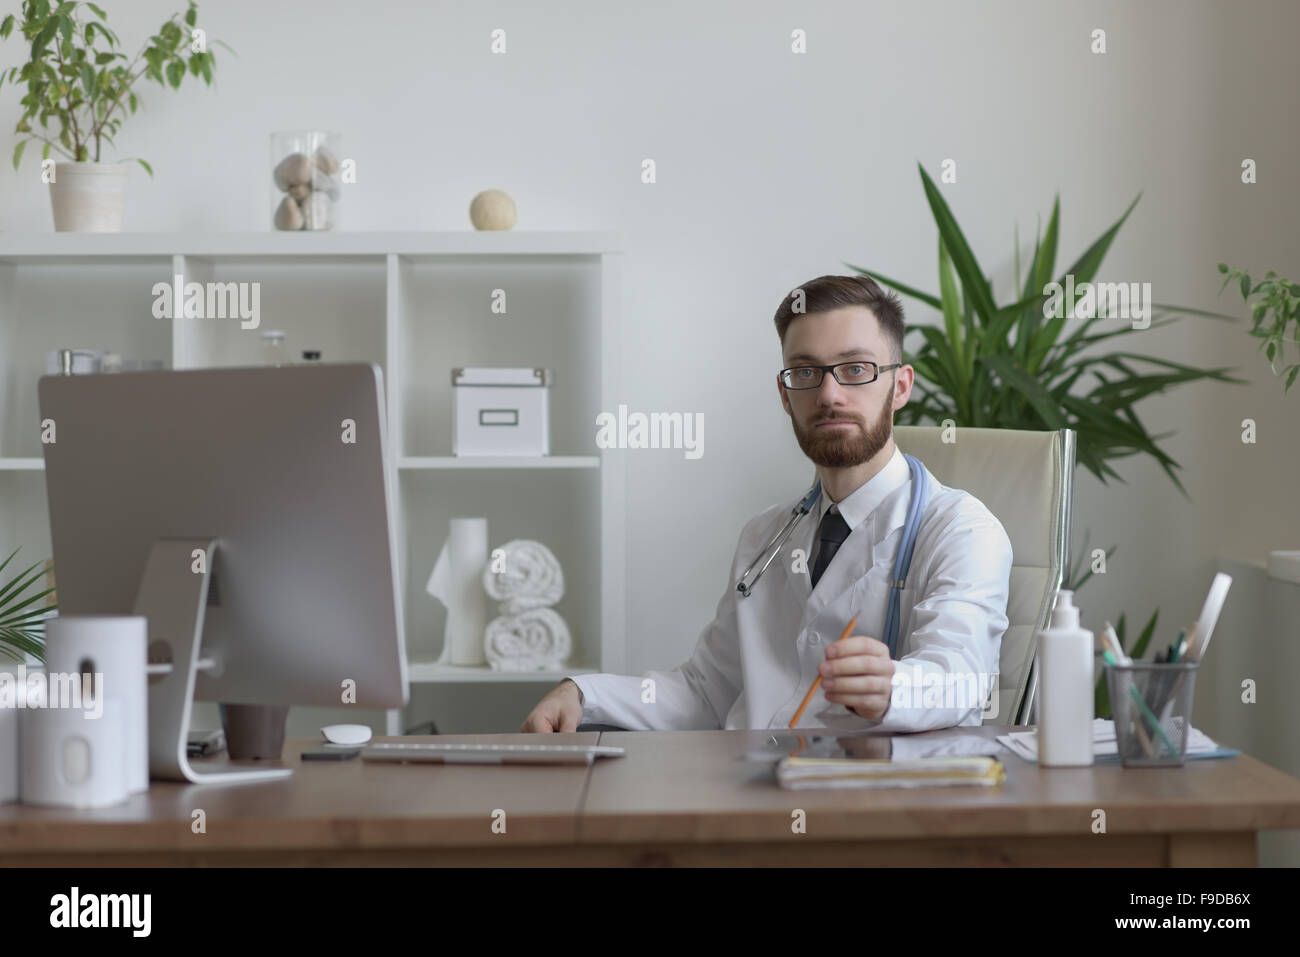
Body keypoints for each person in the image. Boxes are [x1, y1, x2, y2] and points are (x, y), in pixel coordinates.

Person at [522, 274, 1013, 733]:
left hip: (870, 803)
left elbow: (962, 677)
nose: (829, 394)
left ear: (900, 386)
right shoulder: (766, 535)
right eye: (806, 372)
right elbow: (707, 693)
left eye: (856, 369)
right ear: (785, 394)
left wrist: (892, 687)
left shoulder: (960, 530)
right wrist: (585, 695)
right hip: (747, 794)